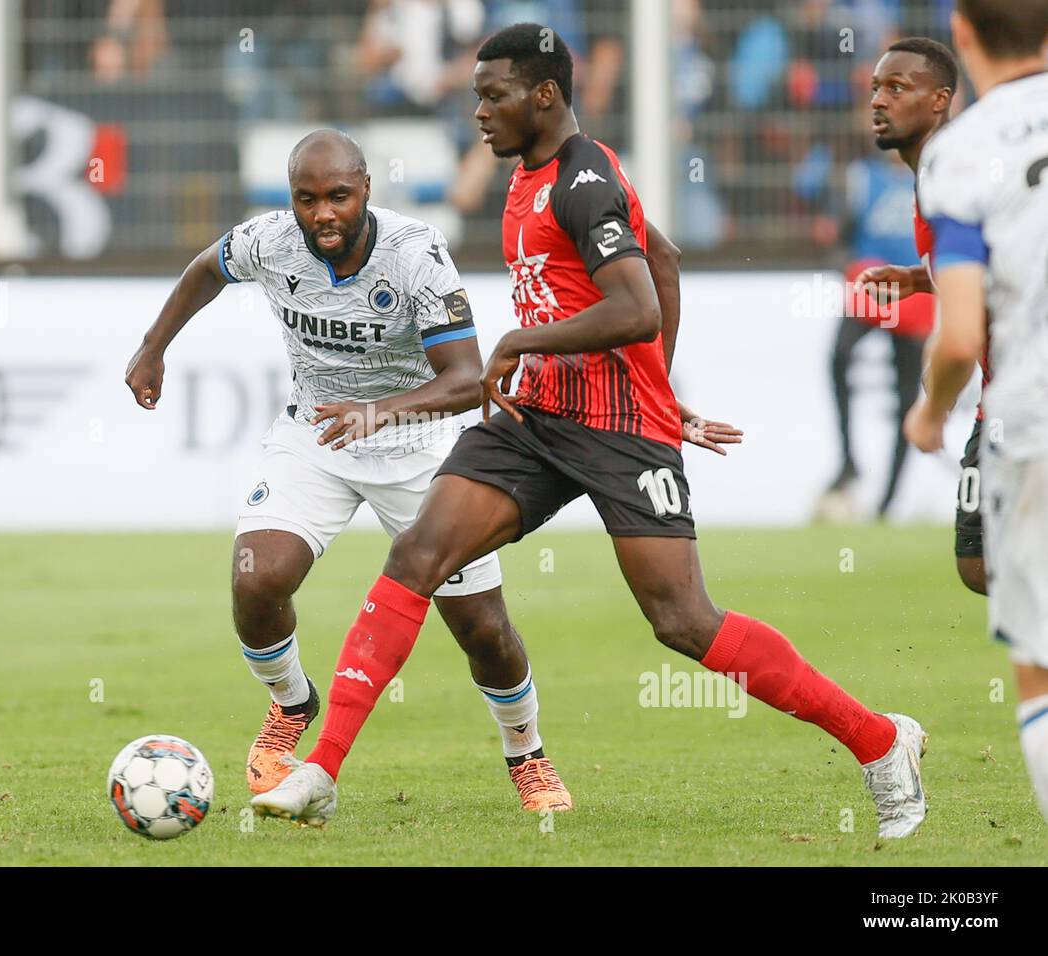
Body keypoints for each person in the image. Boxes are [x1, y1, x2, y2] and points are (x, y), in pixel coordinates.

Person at [252, 23, 926, 839]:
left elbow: (638, 300)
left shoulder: (581, 180)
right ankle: (322, 769)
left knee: (683, 621)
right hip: (536, 418)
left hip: (616, 430)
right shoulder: (527, 175)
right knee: (417, 554)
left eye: (493, 95)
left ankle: (883, 742)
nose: (479, 113)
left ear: (544, 96)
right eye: (476, 97)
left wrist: (575, 359)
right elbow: (665, 257)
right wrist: (655, 378)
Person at [125, 128, 577, 812]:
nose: (323, 214)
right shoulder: (269, 241)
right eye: (307, 199)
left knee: (483, 629)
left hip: (421, 445)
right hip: (316, 434)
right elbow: (205, 270)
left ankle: (527, 753)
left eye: (338, 196)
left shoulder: (415, 253)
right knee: (257, 579)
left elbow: (465, 381)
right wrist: (153, 346)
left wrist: (381, 412)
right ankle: (290, 703)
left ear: (366, 188)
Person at [905, 0, 1048, 821]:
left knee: (1038, 660)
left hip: (1028, 422)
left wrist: (930, 413)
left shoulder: (960, 155)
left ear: (962, 35)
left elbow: (961, 337)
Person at [818, 37, 954, 521]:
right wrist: (850, 269)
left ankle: (888, 501)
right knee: (837, 358)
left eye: (894, 89)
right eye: (876, 90)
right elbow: (843, 235)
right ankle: (849, 460)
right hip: (883, 281)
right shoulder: (864, 173)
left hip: (921, 293)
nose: (879, 102)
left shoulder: (946, 171)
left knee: (904, 394)